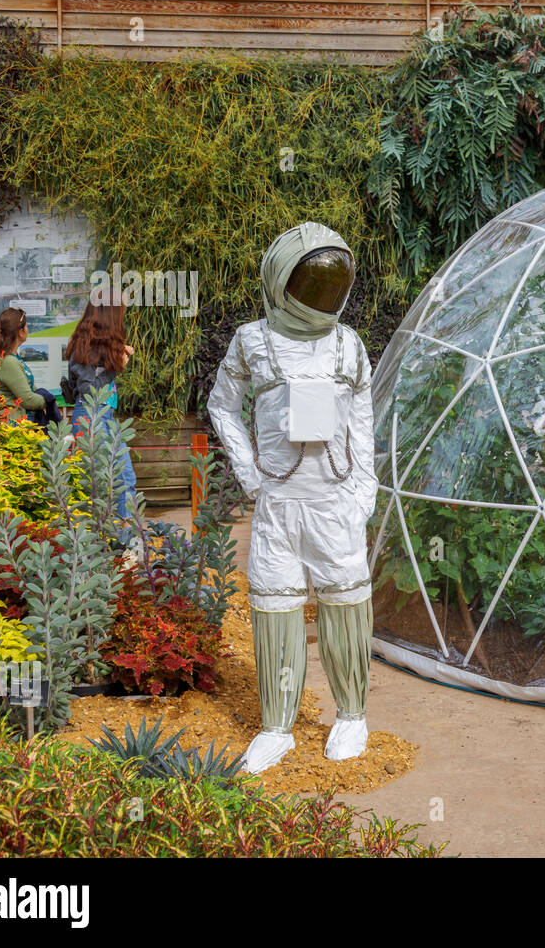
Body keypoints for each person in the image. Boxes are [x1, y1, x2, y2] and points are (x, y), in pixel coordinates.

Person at [208, 222, 378, 773]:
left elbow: (363, 418)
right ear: (281, 279)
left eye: (331, 281)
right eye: (311, 280)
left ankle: (352, 715)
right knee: (275, 610)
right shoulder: (250, 339)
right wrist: (250, 476)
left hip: (335, 502)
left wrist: (364, 490)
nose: (322, 292)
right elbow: (222, 405)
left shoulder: (348, 343)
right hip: (278, 504)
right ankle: (276, 726)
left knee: (346, 605)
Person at [63, 293, 138, 519]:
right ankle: (117, 542)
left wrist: (117, 356)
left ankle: (124, 540)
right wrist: (117, 368)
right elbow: (89, 390)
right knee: (112, 483)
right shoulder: (83, 348)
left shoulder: (96, 346)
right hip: (92, 418)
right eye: (120, 314)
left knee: (125, 479)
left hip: (104, 417)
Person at [0, 307, 63, 429]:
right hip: (13, 425)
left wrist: (46, 398)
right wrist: (49, 401)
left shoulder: (12, 358)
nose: (28, 329)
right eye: (26, 326)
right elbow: (28, 400)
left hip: (16, 422)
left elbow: (29, 388)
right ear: (20, 332)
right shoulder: (9, 361)